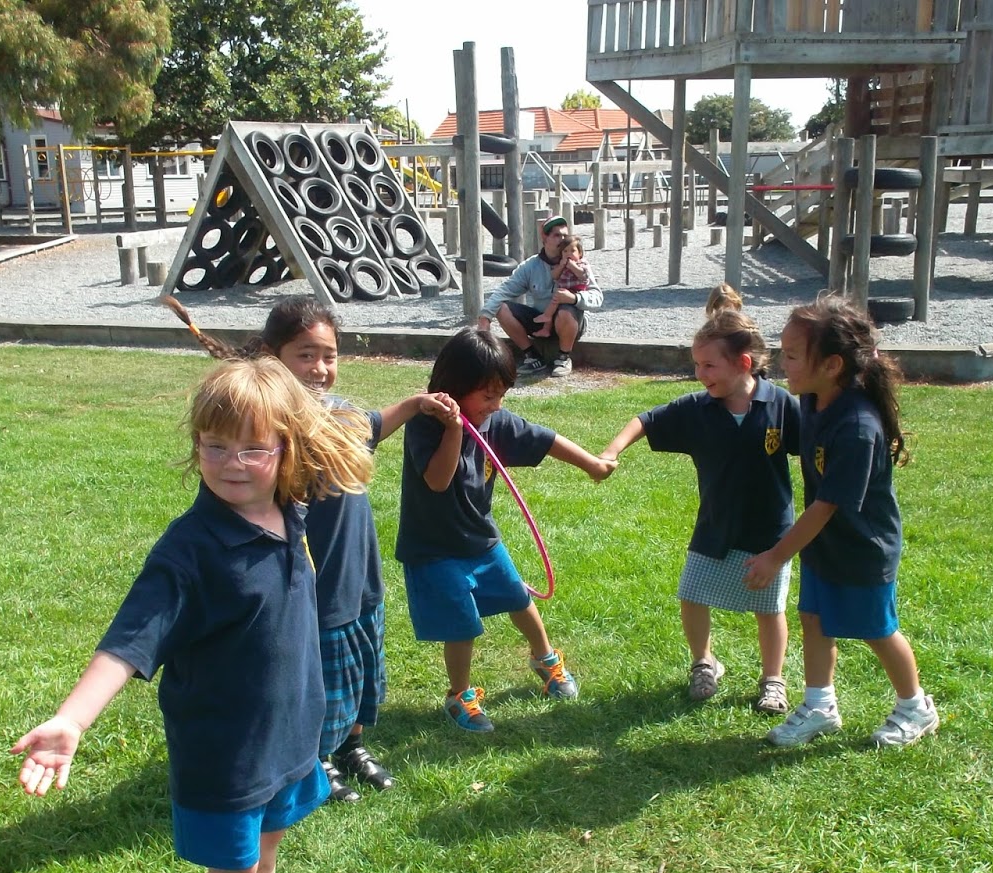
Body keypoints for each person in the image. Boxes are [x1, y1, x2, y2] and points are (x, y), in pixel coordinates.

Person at [11, 357, 374, 873]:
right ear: (195, 445)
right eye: (215, 445)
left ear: (288, 449)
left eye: (253, 448)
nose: (232, 463)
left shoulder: (290, 509)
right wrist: (73, 719)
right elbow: (129, 640)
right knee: (232, 869)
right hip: (227, 751)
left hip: (286, 735)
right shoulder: (191, 549)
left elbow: (353, 430)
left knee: (270, 839)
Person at [244, 297, 454, 803]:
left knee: (363, 671)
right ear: (273, 356)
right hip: (314, 584)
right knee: (321, 678)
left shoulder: (341, 413)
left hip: (360, 574)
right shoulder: (269, 427)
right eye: (305, 355)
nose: (320, 367)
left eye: (329, 355)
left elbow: (374, 425)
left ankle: (351, 746)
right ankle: (315, 759)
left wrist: (416, 404)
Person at [744, 294, 939, 749]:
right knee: (813, 618)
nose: (783, 364)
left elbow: (826, 506)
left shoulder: (856, 427)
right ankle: (820, 706)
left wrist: (776, 556)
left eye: (793, 356)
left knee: (876, 629)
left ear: (832, 365)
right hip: (824, 544)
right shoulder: (814, 401)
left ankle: (916, 707)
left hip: (861, 547)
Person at [396, 327, 615, 733]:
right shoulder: (426, 423)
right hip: (435, 548)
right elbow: (438, 481)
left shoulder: (495, 420)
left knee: (518, 597)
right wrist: (455, 428)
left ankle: (545, 658)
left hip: (481, 539)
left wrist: (592, 464)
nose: (496, 405)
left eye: (501, 395)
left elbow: (544, 439)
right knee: (461, 624)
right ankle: (459, 695)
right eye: (487, 396)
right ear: (454, 387)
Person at [600, 288, 799, 712]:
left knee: (769, 608)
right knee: (692, 594)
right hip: (715, 526)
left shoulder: (779, 403)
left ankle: (773, 680)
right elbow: (646, 420)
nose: (699, 374)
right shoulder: (698, 409)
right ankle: (704, 662)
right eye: (696, 364)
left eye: (708, 365)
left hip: (769, 531)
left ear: (742, 363)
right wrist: (611, 451)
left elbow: (817, 444)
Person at [478, 215, 604, 380]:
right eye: (557, 235)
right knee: (502, 308)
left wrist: (574, 298)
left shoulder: (579, 264)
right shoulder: (530, 266)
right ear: (545, 238)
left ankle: (563, 358)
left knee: (566, 310)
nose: (562, 240)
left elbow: (597, 297)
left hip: (570, 321)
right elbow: (504, 290)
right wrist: (485, 316)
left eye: (565, 235)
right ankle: (532, 357)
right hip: (541, 321)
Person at [531, 233, 594, 339]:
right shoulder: (561, 264)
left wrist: (573, 266)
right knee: (553, 304)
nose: (569, 254)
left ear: (580, 253)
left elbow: (583, 276)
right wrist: (561, 266)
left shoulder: (581, 263)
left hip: (576, 291)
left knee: (556, 304)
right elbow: (554, 276)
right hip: (563, 290)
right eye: (565, 251)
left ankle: (547, 316)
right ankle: (546, 328)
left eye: (572, 251)